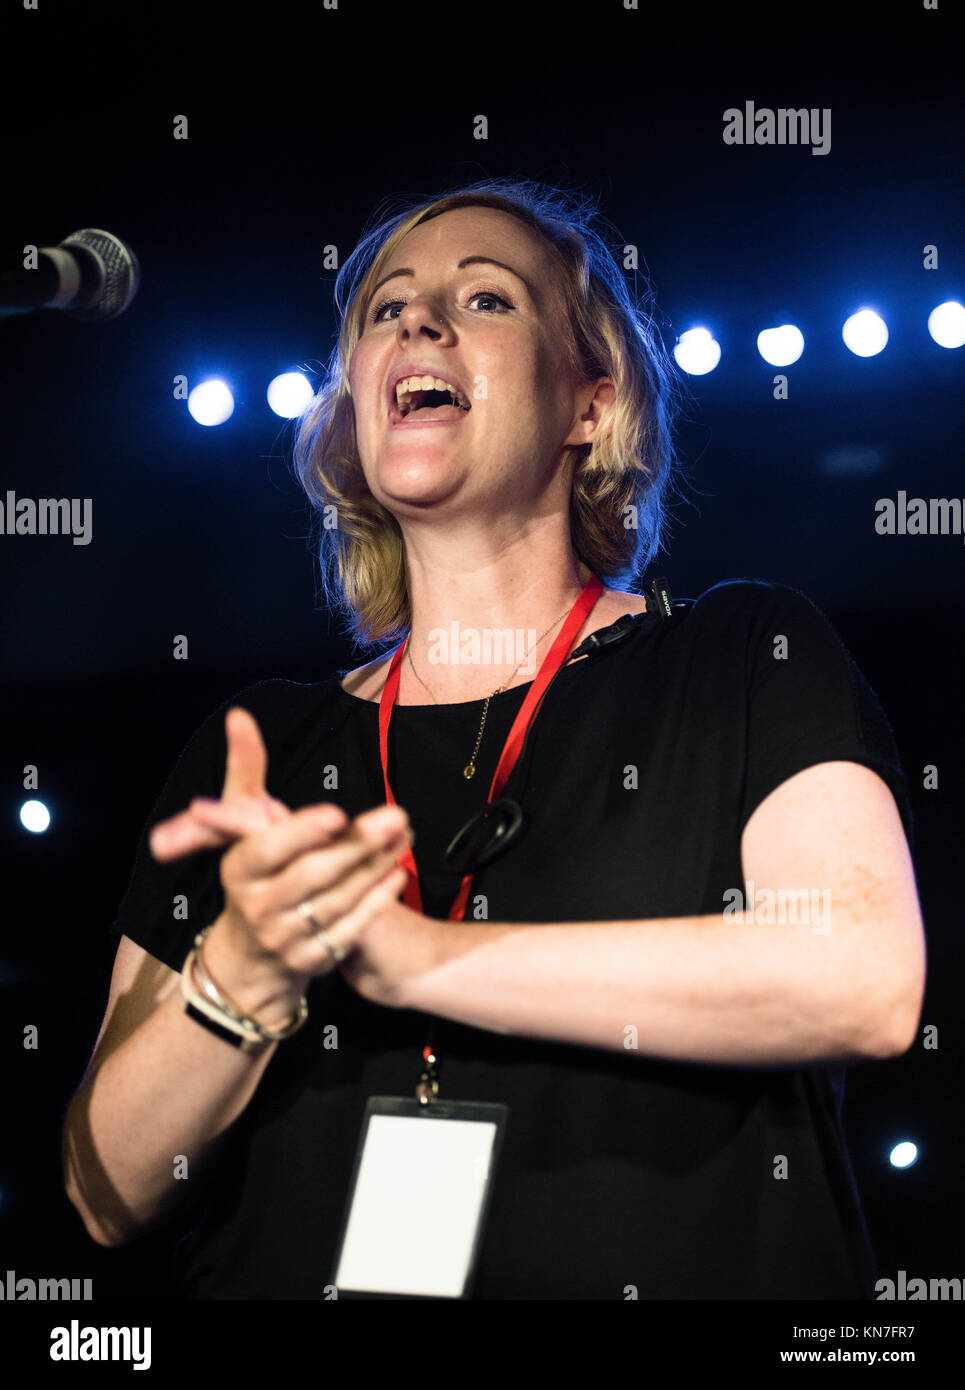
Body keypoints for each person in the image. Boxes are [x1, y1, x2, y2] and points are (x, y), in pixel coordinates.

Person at [62, 177, 926, 1300]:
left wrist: (419, 958)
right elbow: (104, 1192)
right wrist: (240, 971)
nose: (417, 321)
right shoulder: (264, 746)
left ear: (589, 402)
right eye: (385, 310)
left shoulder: (739, 653)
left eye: (484, 299)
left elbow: (858, 979)